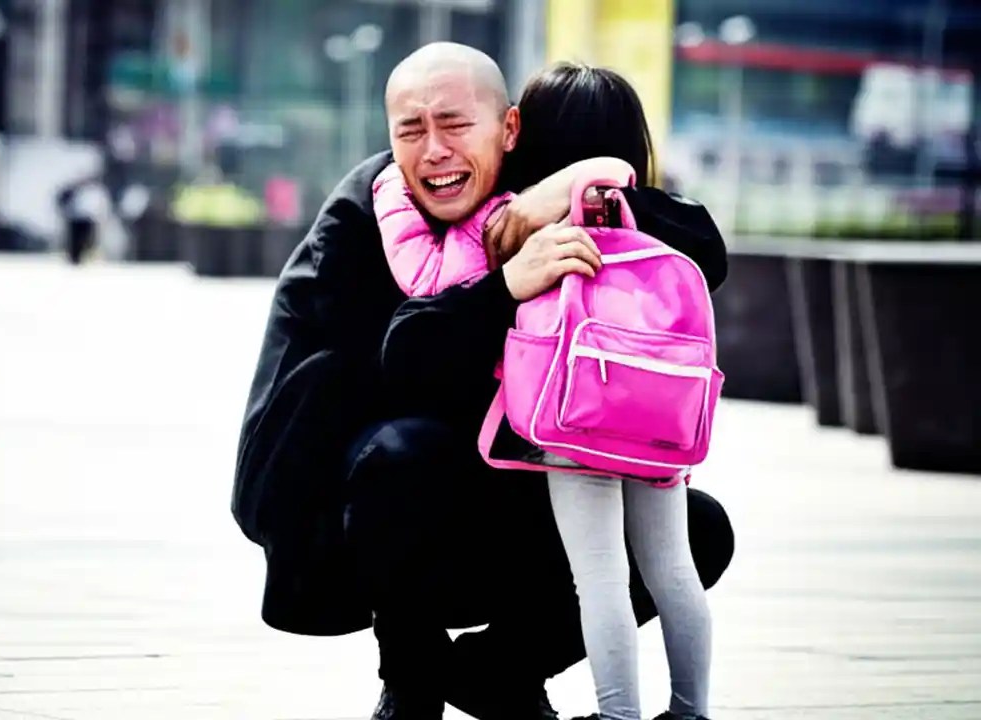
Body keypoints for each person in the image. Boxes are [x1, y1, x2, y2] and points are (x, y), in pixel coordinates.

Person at [232, 43, 733, 720]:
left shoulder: (530, 197)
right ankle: (411, 677)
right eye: (411, 130)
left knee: (700, 531)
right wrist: (503, 289)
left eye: (454, 124)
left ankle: (502, 672)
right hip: (390, 514)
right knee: (399, 454)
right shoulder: (371, 214)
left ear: (510, 131)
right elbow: (384, 370)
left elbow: (701, 245)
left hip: (528, 504)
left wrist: (575, 189)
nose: (434, 150)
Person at [373, 62, 716, 720]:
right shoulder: (657, 236)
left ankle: (619, 716)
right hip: (659, 427)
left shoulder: (520, 228)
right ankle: (690, 712)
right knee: (674, 570)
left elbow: (434, 308)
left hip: (574, 425)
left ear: (522, 135)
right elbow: (708, 260)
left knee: (600, 578)